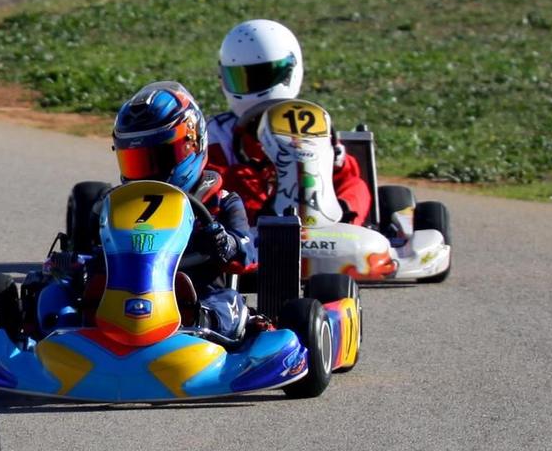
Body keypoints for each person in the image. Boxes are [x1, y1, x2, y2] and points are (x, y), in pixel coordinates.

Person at [110, 81, 257, 343]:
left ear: (193, 143)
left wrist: (225, 243)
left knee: (228, 305)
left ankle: (198, 324)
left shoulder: (221, 202)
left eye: (157, 160)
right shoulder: (116, 205)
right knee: (55, 295)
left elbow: (248, 256)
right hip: (122, 291)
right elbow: (86, 252)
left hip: (197, 293)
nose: (147, 174)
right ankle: (60, 329)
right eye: (136, 162)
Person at [207, 18, 370, 222]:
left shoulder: (309, 120)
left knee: (357, 184)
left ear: (291, 70)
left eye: (261, 76)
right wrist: (253, 169)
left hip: (327, 216)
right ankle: (269, 222)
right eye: (239, 78)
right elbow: (212, 184)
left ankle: (345, 222)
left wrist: (334, 159)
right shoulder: (218, 134)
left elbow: (346, 173)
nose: (251, 87)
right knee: (234, 179)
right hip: (255, 228)